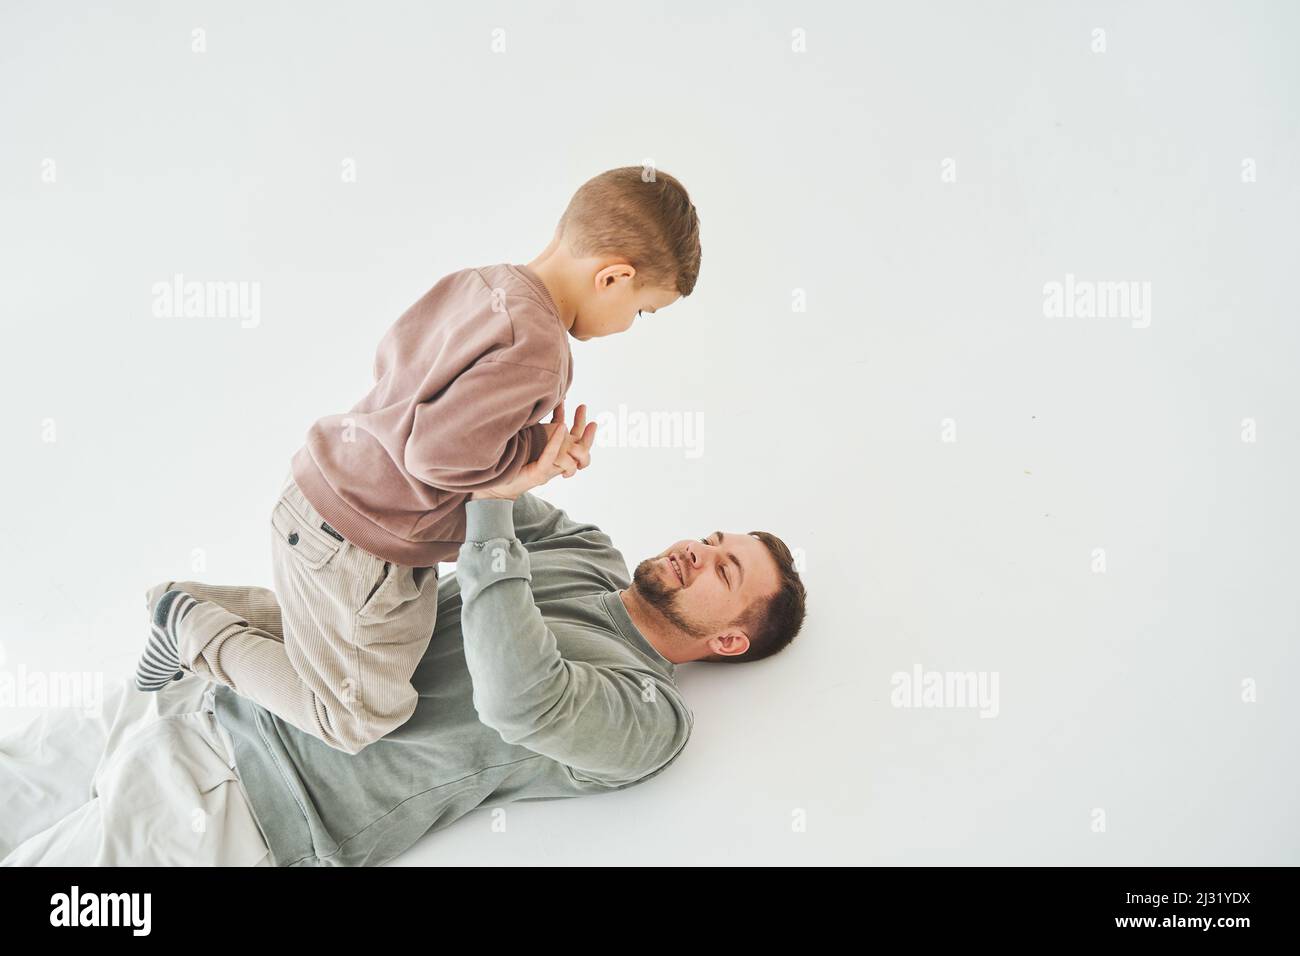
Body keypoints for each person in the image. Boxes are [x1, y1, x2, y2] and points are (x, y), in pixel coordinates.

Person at [5, 414, 806, 866]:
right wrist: (514, 439)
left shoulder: (648, 717)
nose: (701, 551)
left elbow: (517, 693)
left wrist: (495, 500)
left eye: (726, 570)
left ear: (729, 642)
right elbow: (447, 497)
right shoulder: (586, 551)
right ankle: (190, 622)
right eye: (713, 537)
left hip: (237, 802)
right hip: (206, 683)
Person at [134, 167, 702, 756]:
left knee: (387, 645)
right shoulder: (541, 351)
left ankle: (201, 607)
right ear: (613, 277)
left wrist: (531, 447)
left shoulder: (484, 283)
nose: (630, 326)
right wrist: (532, 457)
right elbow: (437, 453)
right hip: (361, 540)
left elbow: (406, 375)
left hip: (328, 494)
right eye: (642, 312)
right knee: (357, 716)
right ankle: (192, 626)